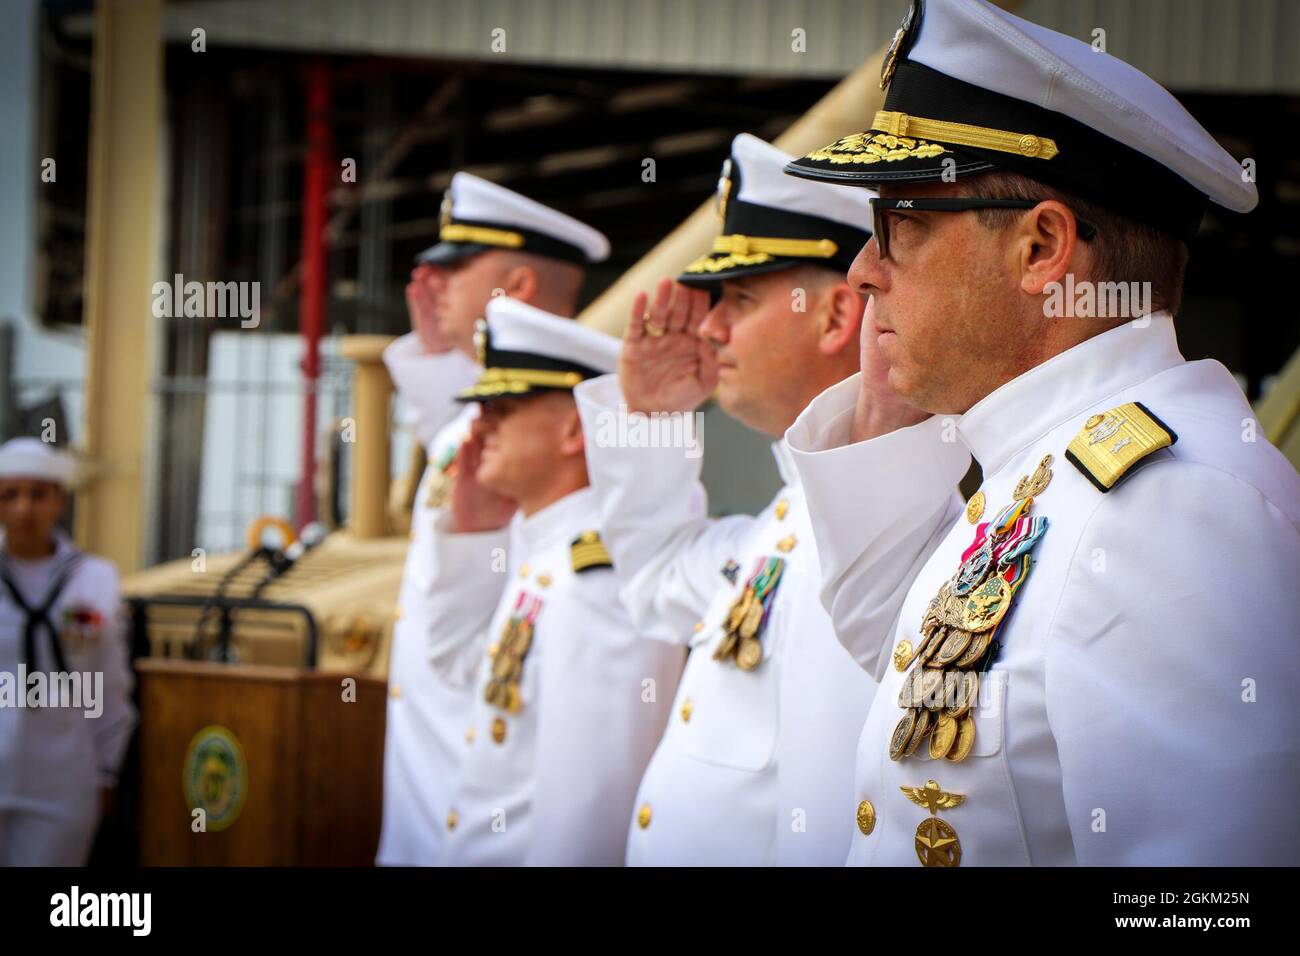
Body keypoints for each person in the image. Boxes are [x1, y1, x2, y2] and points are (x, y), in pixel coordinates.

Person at [780, 0, 1300, 865]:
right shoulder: (1044, 470)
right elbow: (907, 654)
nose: (864, 271)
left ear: (1041, 248)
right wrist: (886, 401)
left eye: (897, 224)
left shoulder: (1168, 510)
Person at [574, 133, 942, 864]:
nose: (709, 327)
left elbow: (837, 816)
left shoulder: (907, 517)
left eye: (739, 299)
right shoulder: (788, 518)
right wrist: (652, 419)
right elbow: (654, 580)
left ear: (838, 317)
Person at [378, 172, 610, 865]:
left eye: (454, 268)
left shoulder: (543, 456)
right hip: (428, 796)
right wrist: (432, 348)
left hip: (482, 795)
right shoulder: (479, 433)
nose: (431, 281)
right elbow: (450, 428)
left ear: (518, 287)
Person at [429, 297, 681, 866]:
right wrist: (470, 533)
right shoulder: (544, 551)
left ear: (575, 428)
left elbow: (584, 817)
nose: (480, 423)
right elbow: (457, 669)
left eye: (502, 405)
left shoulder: (594, 578)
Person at [0, 438, 135, 866]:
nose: (24, 509)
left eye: (37, 494)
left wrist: (107, 769)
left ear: (58, 500)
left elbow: (110, 682)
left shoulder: (94, 579)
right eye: (10, 495)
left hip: (62, 775)